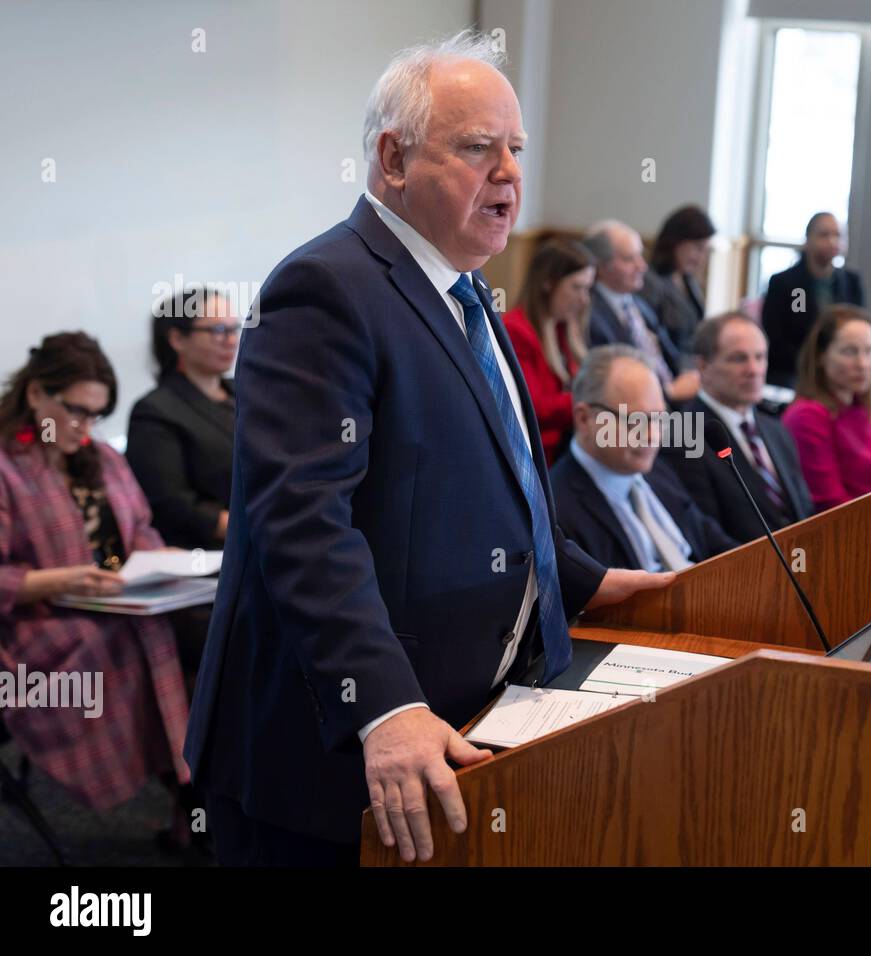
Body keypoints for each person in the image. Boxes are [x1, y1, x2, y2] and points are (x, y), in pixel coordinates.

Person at [183, 33, 673, 867]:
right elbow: (301, 524)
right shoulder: (323, 289)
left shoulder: (466, 290)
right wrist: (383, 707)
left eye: (516, 148)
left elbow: (490, 486)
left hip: (471, 723)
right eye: (479, 148)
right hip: (334, 763)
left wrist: (588, 580)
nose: (511, 172)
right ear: (393, 157)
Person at [0, 332, 196, 846]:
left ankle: (197, 794)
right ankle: (184, 790)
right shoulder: (6, 465)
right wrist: (60, 580)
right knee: (132, 645)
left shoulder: (100, 457)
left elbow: (140, 530)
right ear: (36, 393)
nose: (84, 427)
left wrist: (158, 556)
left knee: (207, 635)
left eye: (95, 415)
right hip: (35, 627)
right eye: (75, 411)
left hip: (116, 605)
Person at [550, 345, 737, 570]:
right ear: (584, 419)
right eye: (636, 420)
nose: (652, 435)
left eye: (659, 418)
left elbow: (715, 543)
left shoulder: (659, 472)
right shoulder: (555, 511)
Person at [661, 313, 814, 544]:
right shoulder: (681, 436)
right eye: (738, 359)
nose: (754, 369)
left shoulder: (777, 430)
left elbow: (804, 513)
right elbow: (706, 537)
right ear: (703, 366)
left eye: (760, 357)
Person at [127, 285, 238, 551]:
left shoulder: (247, 391)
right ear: (177, 340)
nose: (232, 340)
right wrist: (254, 525)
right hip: (208, 558)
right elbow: (173, 505)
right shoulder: (155, 411)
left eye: (235, 329)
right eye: (218, 331)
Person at [781, 305, 871, 511]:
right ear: (821, 356)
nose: (862, 363)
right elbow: (830, 505)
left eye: (870, 351)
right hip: (843, 534)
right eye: (850, 351)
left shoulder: (860, 409)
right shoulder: (807, 416)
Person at [500, 239, 595, 463]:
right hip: (538, 456)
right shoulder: (516, 330)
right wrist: (593, 400)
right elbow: (533, 409)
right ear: (547, 283)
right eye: (577, 287)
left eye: (588, 288)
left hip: (566, 445)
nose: (585, 299)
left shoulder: (563, 326)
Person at [583, 219, 698, 402]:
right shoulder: (589, 314)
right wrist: (669, 393)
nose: (642, 266)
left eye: (640, 256)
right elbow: (611, 386)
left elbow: (671, 355)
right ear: (601, 266)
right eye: (629, 259)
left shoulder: (638, 303)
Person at [762, 212, 865, 388]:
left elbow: (859, 328)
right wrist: (816, 365)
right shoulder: (789, 283)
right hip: (794, 370)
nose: (833, 241)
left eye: (838, 235)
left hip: (841, 368)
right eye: (824, 235)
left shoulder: (851, 281)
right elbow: (779, 337)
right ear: (808, 239)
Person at [640, 204, 715, 355]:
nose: (701, 259)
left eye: (705, 251)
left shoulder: (688, 279)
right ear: (675, 241)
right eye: (697, 248)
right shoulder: (650, 281)